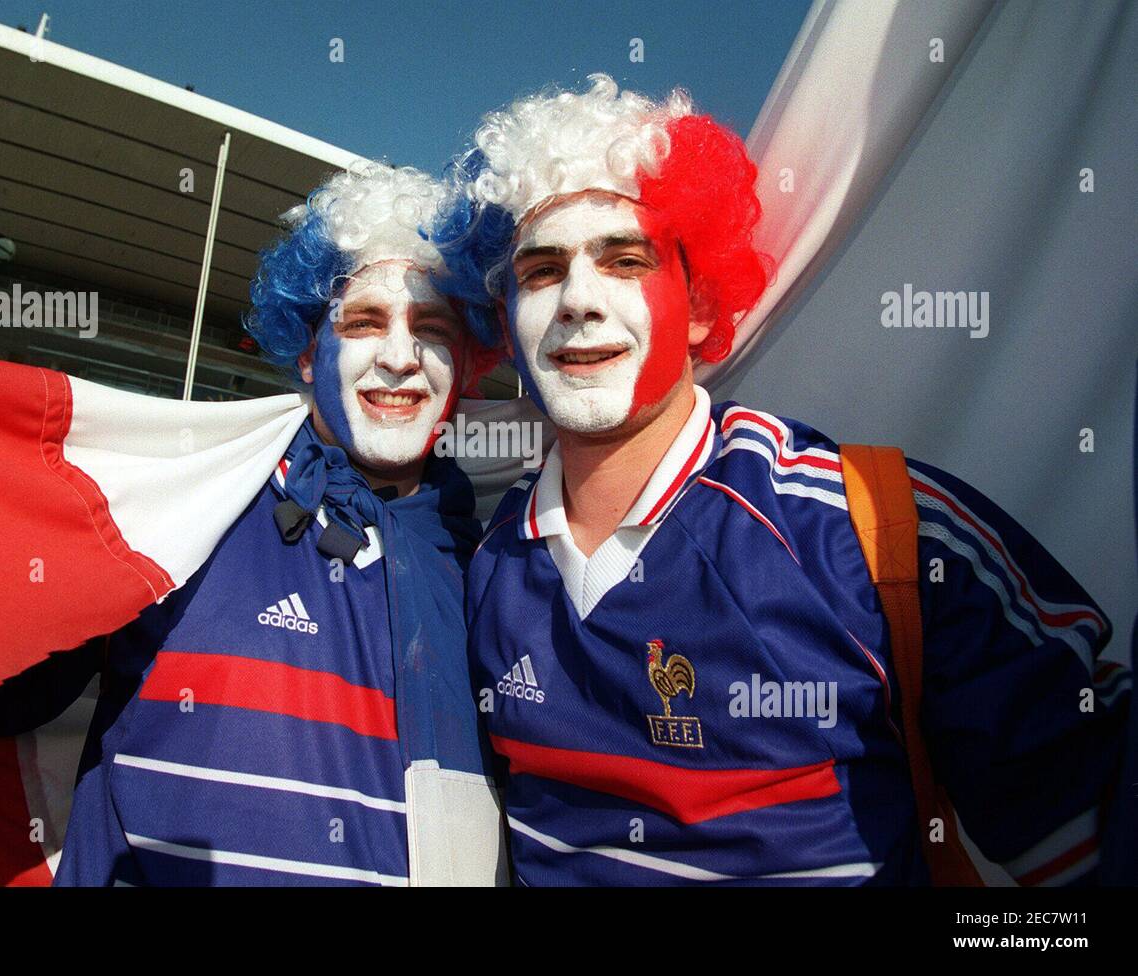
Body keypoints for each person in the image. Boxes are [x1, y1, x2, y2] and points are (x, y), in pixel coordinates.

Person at [454, 75, 1130, 885]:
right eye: (541, 271)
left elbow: (1089, 833)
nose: (578, 301)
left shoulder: (878, 529)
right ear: (507, 326)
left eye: (625, 259)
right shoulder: (485, 562)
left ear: (701, 307)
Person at [54, 162, 508, 886]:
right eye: (363, 321)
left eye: (432, 329)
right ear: (306, 352)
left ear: (467, 362)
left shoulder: (498, 572)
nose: (399, 357)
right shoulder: (189, 500)